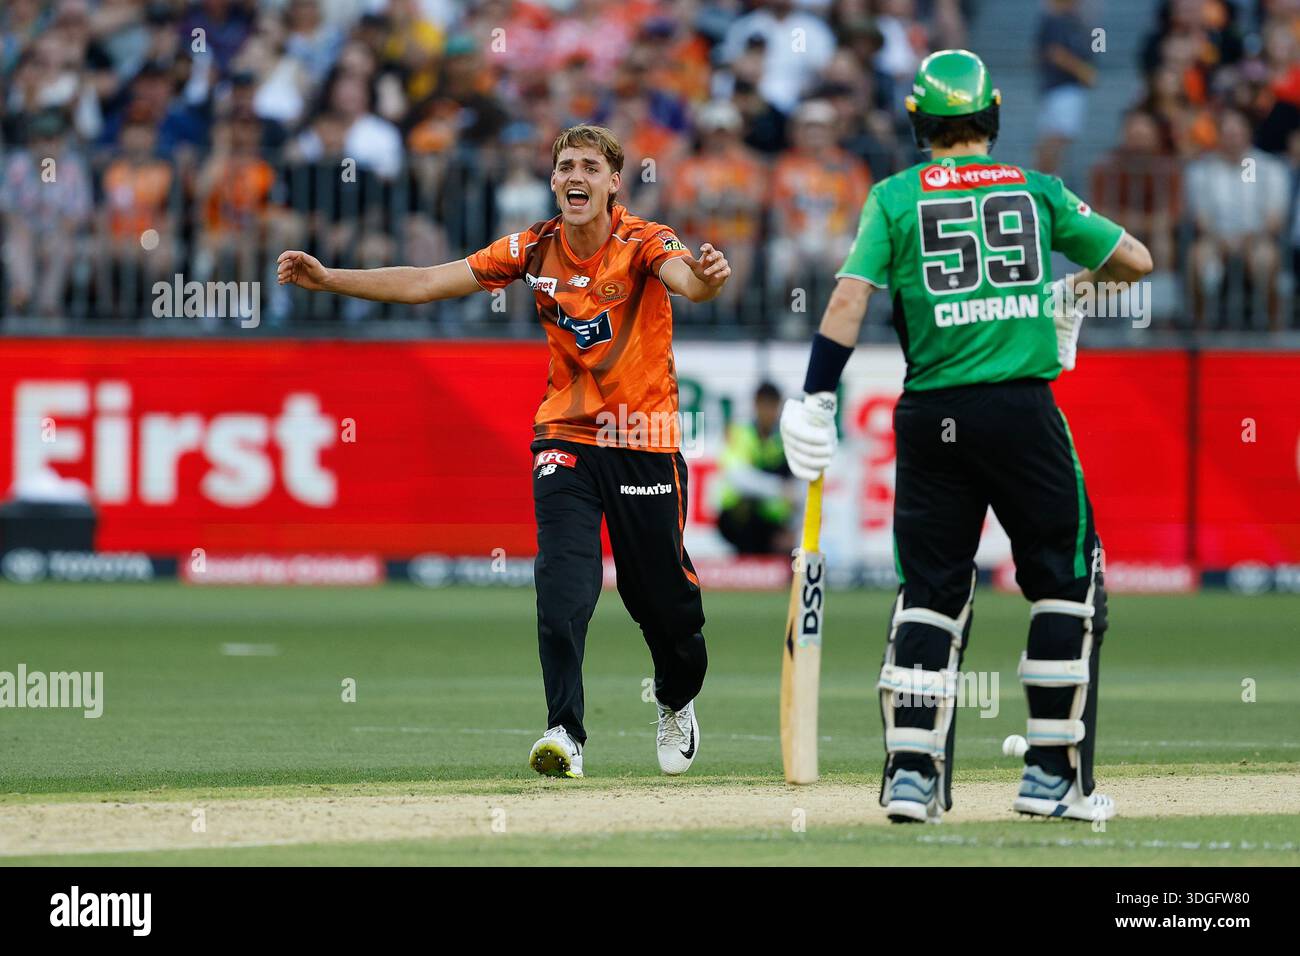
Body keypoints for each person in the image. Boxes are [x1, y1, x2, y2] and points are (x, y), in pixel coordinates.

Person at [278, 125, 731, 780]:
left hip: (643, 439)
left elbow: (687, 281)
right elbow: (429, 281)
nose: (576, 176)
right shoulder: (532, 246)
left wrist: (710, 278)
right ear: (553, 182)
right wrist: (330, 280)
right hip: (565, 437)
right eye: (565, 166)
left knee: (661, 600)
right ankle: (564, 733)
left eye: (590, 167)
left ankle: (676, 697)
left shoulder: (643, 240)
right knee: (562, 586)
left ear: (612, 183)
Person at [780, 50, 1152, 824]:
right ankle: (1051, 778)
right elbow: (1136, 260)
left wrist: (816, 396)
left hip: (930, 419)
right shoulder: (1037, 190)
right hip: (1020, 413)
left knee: (932, 591)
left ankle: (912, 775)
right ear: (991, 117)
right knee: (1064, 581)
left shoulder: (892, 196)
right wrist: (1073, 288)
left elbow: (849, 300)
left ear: (920, 121)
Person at [715, 382, 795, 555]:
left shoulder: (783, 441)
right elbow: (737, 478)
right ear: (756, 405)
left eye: (773, 406)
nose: (769, 412)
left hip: (772, 522)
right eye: (765, 405)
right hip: (737, 518)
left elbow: (796, 488)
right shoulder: (741, 434)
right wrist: (779, 489)